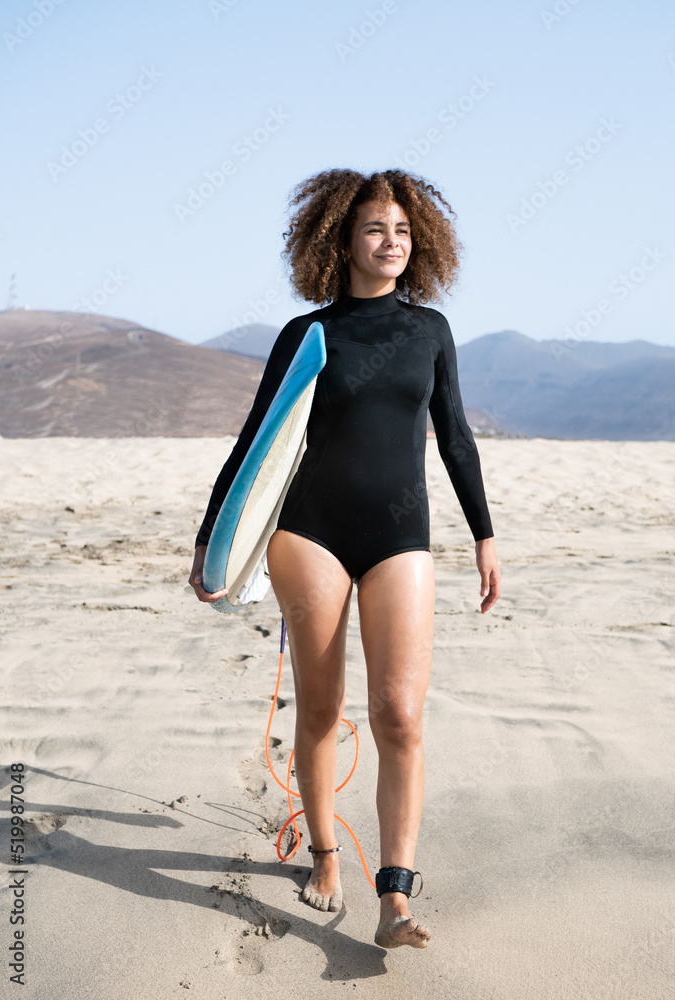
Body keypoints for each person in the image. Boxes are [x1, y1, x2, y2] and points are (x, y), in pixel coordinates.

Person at [189, 168, 501, 949]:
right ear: (343, 240)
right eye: (374, 230)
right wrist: (210, 539)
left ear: (418, 242)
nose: (389, 243)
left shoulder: (429, 331)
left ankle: (395, 897)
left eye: (401, 231)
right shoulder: (308, 334)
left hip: (401, 534)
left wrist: (484, 534)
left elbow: (455, 436)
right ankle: (325, 853)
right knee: (322, 709)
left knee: (399, 714)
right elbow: (256, 441)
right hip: (312, 531)